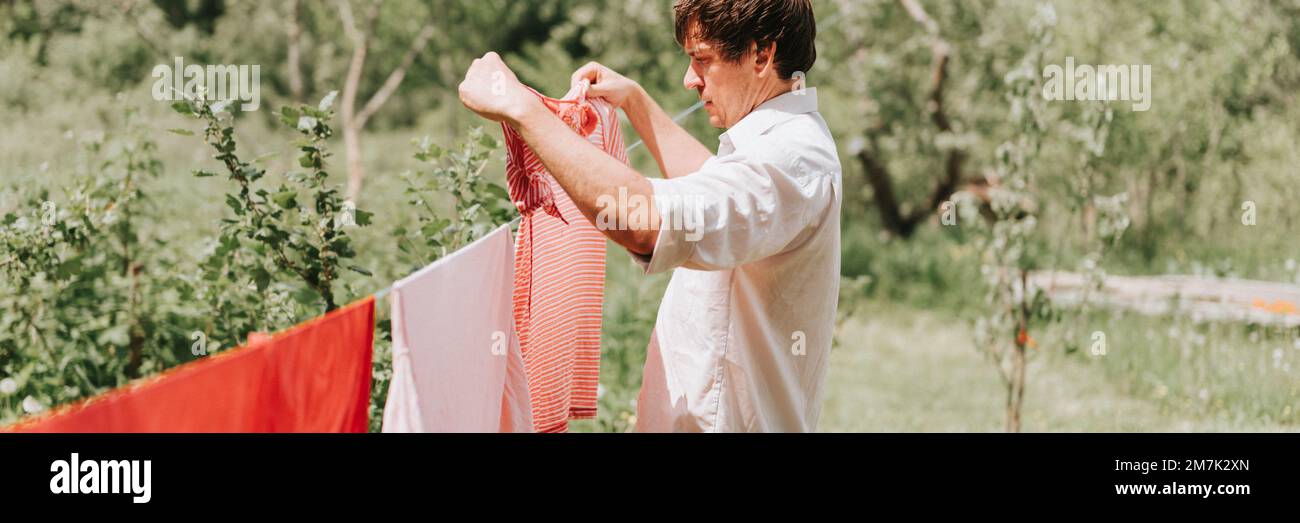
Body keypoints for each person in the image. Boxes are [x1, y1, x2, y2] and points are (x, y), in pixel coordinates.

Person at [457, 0, 840, 432]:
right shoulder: (778, 142)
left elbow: (645, 223)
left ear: (761, 55)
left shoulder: (787, 159)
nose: (689, 79)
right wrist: (636, 102)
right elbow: (708, 189)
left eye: (702, 60)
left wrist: (521, 109)